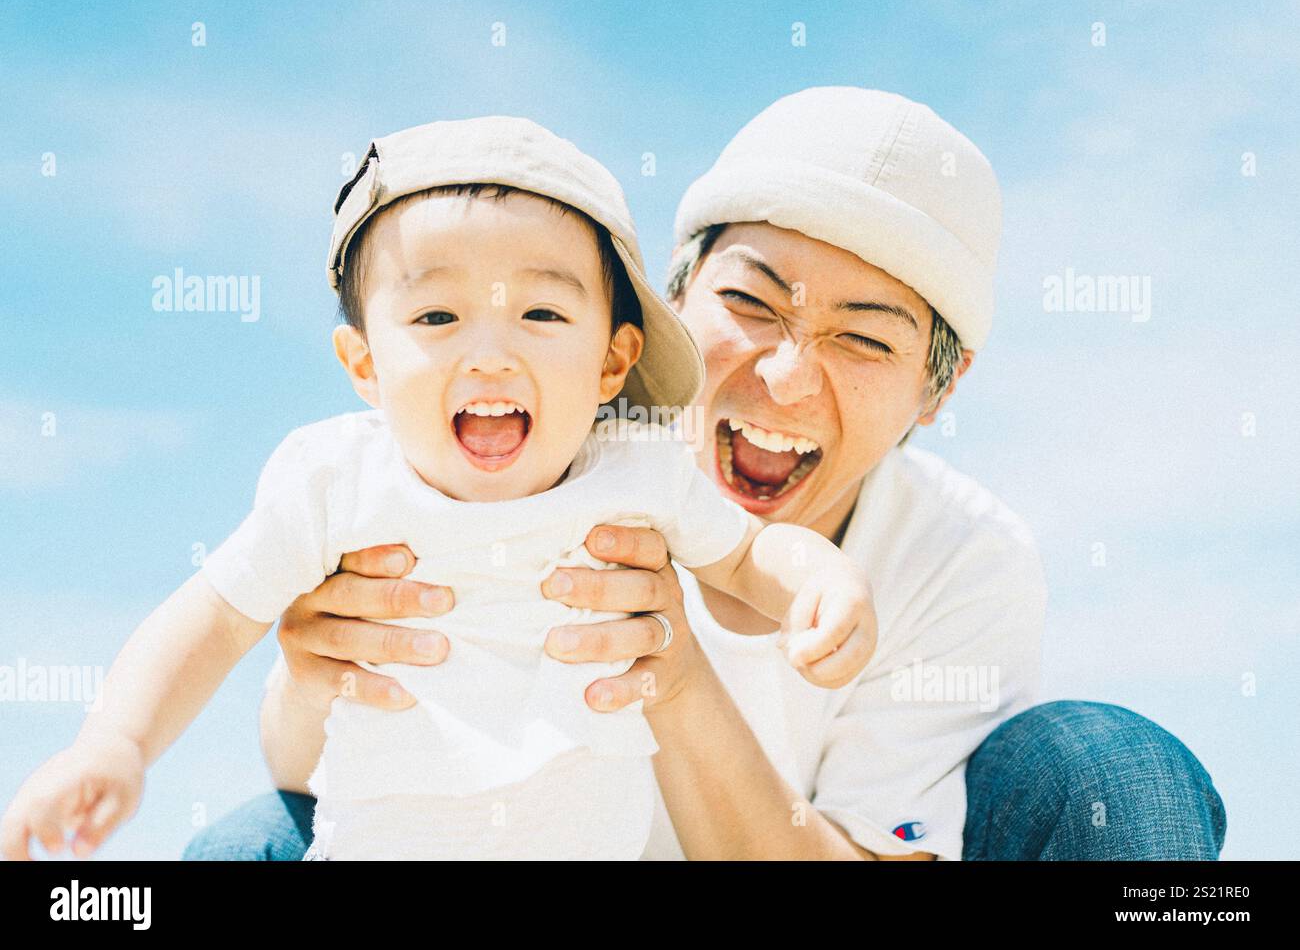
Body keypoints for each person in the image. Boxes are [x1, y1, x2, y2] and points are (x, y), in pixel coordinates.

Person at [186, 87, 1226, 861]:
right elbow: (304, 774)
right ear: (669, 304)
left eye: (864, 339)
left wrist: (677, 678)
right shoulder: (521, 455)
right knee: (249, 844)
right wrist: (315, 673)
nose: (784, 377)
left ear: (936, 389)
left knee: (1107, 765)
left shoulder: (962, 556)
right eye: (751, 304)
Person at [0, 116, 879, 862]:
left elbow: (749, 556)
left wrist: (820, 580)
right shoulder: (337, 483)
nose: (490, 354)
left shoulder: (635, 475)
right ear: (364, 365)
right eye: (436, 316)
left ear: (613, 362)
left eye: (541, 314)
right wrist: (114, 743)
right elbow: (211, 619)